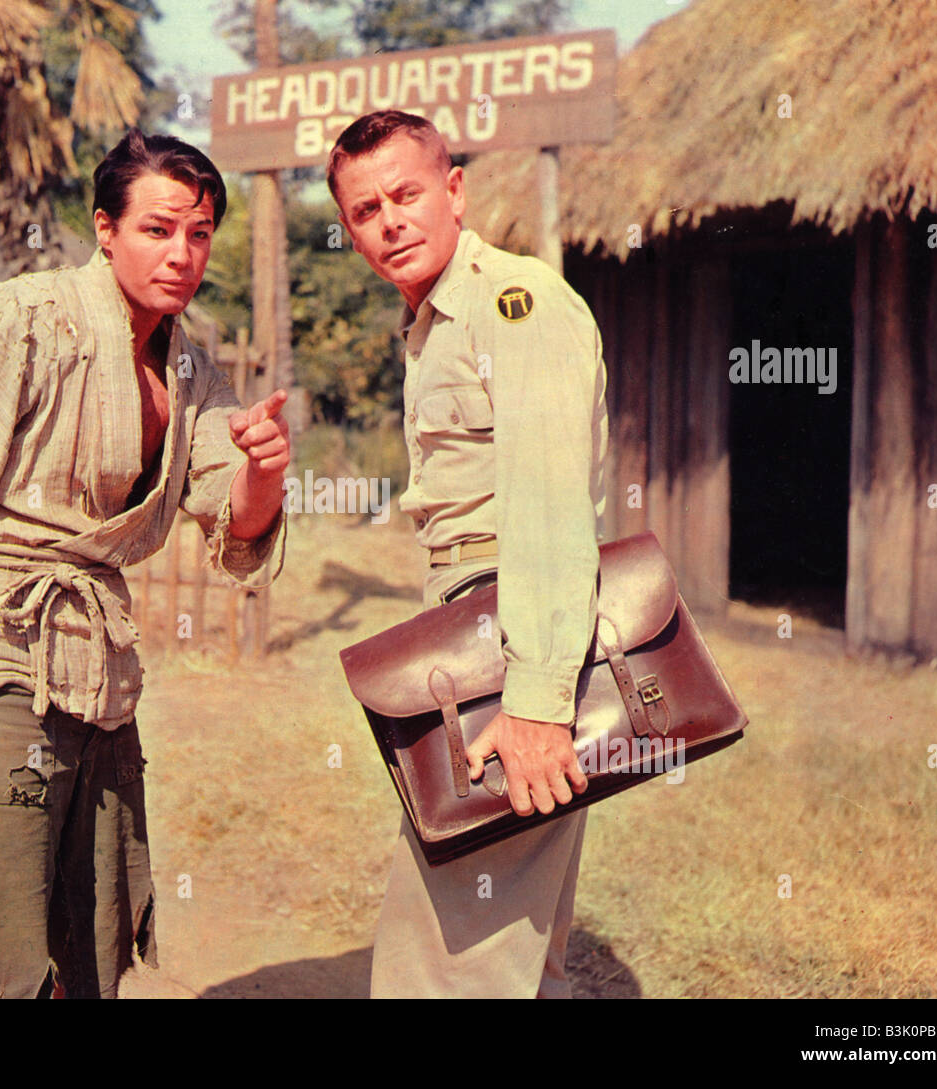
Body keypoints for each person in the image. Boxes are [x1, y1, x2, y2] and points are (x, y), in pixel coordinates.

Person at [0, 129, 289, 999]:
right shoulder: (14, 324)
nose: (181, 253)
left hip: (98, 677)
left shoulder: (189, 366)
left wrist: (263, 469)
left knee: (91, 947)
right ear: (104, 228)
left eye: (199, 234)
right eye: (157, 229)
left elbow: (235, 518)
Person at [327, 110, 608, 998]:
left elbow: (551, 509)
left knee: (443, 963)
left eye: (406, 195)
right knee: (516, 957)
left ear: (455, 191)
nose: (390, 222)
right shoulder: (434, 322)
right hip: (475, 624)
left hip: (510, 636)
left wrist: (535, 705)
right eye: (366, 210)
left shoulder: (512, 304)